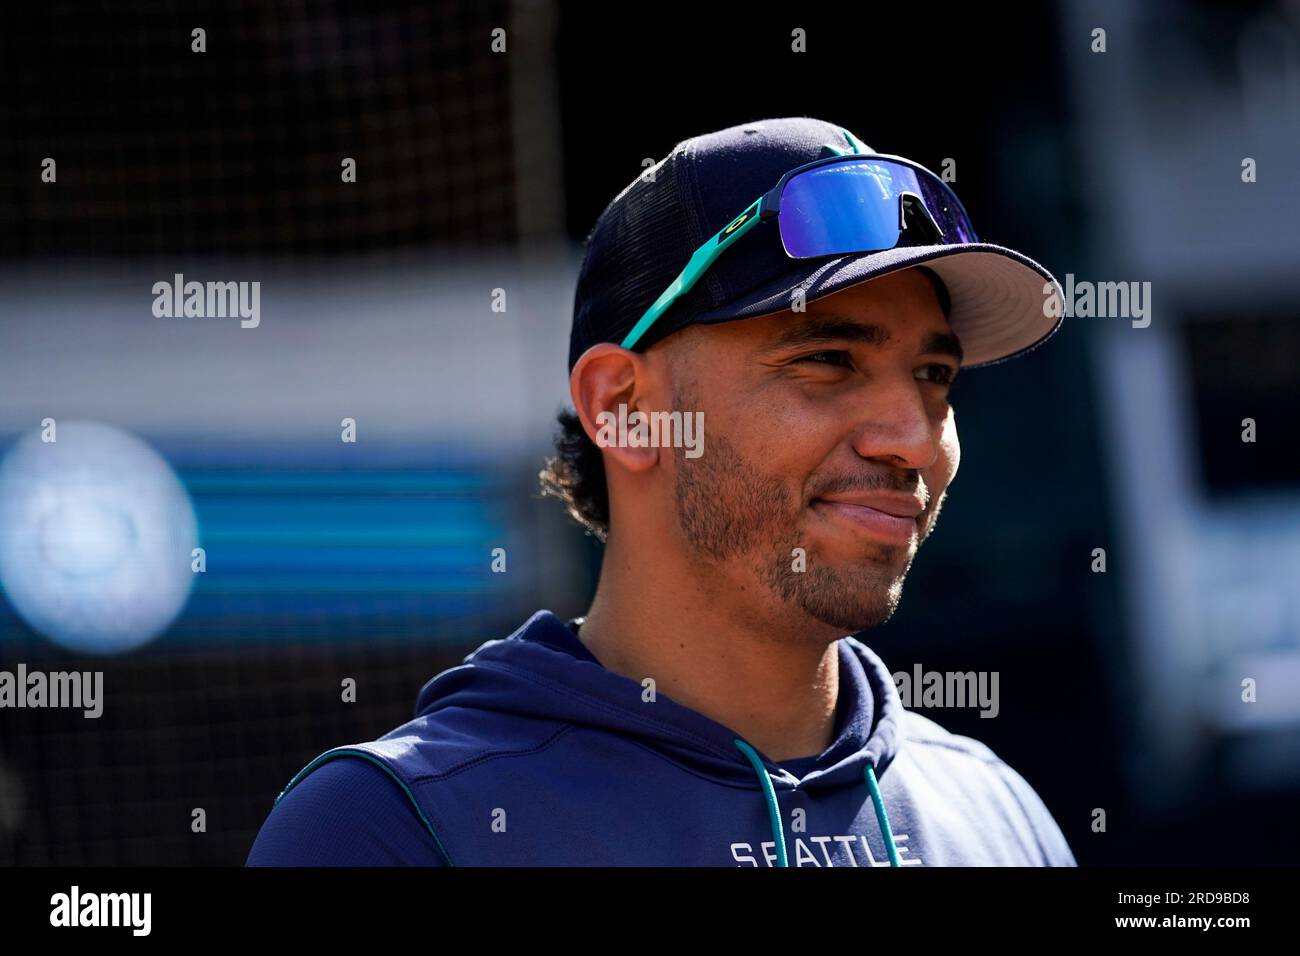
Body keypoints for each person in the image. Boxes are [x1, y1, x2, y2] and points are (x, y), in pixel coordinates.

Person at [247, 116, 1075, 866]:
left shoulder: (999, 817)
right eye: (827, 361)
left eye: (935, 376)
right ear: (623, 409)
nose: (912, 439)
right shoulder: (389, 829)